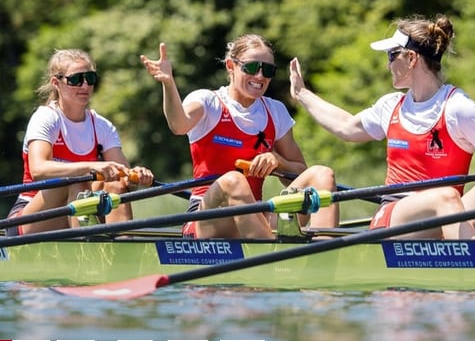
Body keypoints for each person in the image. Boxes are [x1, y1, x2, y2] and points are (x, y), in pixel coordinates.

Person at [288, 14, 475, 240]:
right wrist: (302, 94)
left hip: (445, 213)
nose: (388, 65)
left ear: (412, 58)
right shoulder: (391, 106)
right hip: (393, 218)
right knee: (446, 196)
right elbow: (345, 126)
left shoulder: (459, 108)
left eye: (392, 56)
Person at [139, 35, 338, 238]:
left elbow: (300, 174)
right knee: (234, 180)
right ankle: (269, 253)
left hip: (256, 216)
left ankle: (325, 250)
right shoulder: (208, 101)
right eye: (251, 67)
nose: (260, 76)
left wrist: (278, 161)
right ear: (230, 66)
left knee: (322, 175)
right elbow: (178, 125)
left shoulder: (275, 111)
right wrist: (168, 83)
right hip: (206, 217)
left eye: (268, 70)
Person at [8, 49, 154, 235]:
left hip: (78, 210)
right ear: (56, 83)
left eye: (90, 78)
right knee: (78, 182)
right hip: (29, 218)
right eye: (76, 79)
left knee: (115, 184)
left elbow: (126, 182)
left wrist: (137, 176)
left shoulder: (102, 126)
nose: (85, 85)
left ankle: (123, 245)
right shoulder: (45, 118)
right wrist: (91, 167)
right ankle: (88, 246)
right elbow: (38, 170)